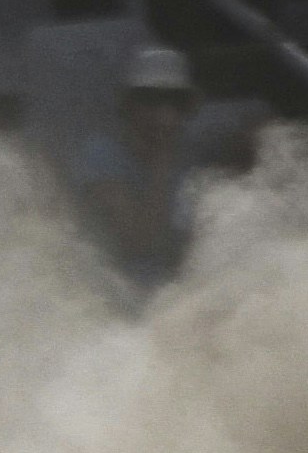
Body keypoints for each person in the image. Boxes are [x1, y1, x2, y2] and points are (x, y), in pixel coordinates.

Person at [66, 44, 206, 285]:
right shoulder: (100, 156)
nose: (165, 113)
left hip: (178, 285)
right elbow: (139, 243)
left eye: (175, 102)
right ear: (128, 105)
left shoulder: (190, 155)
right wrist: (161, 162)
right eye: (150, 99)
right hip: (116, 286)